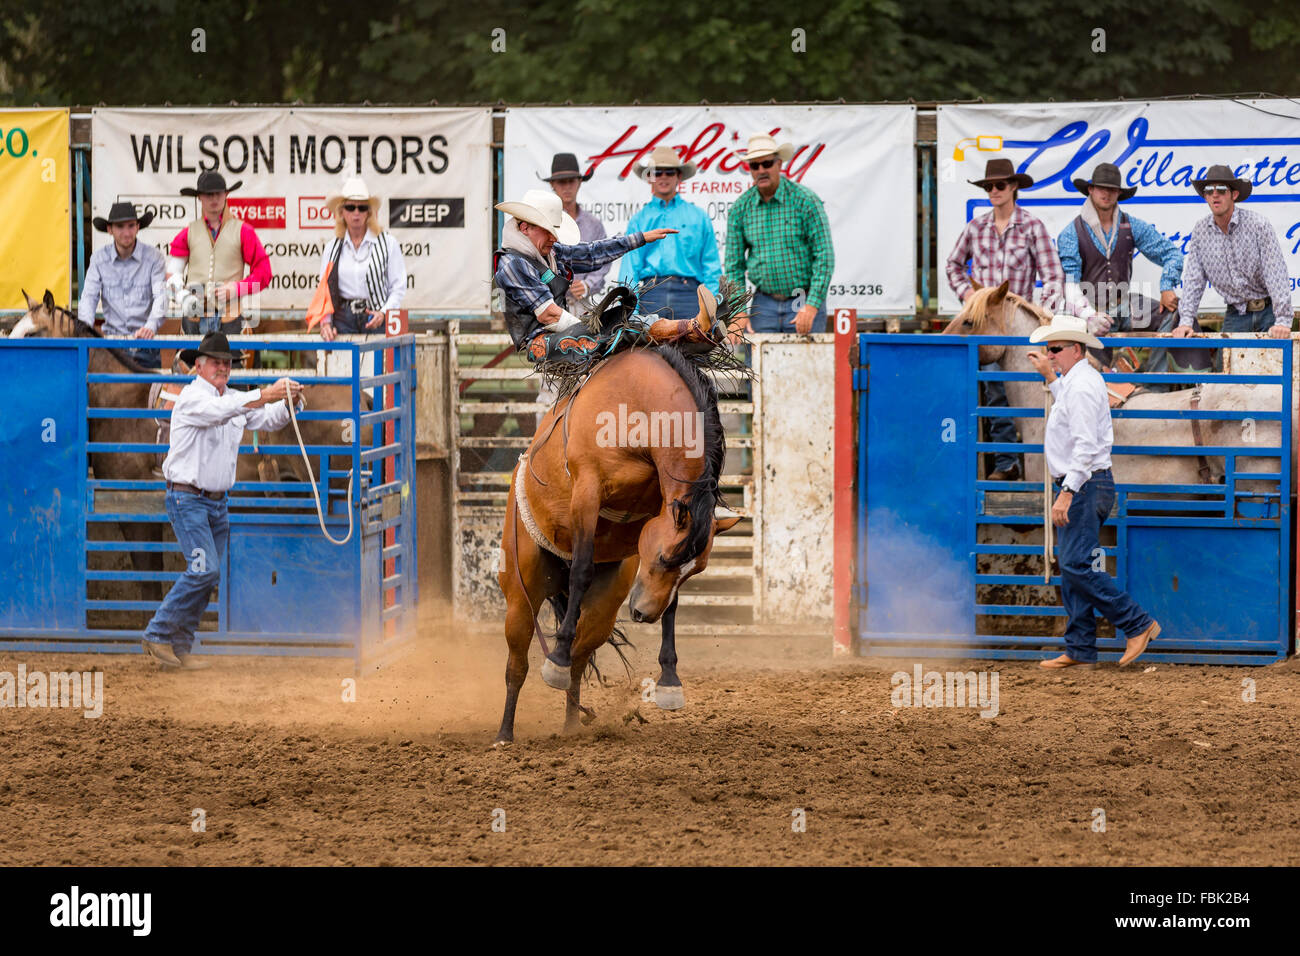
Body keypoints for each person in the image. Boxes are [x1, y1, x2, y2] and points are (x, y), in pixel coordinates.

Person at [140, 332, 304, 670]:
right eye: (216, 362)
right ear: (198, 366)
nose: (223, 368)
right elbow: (225, 409)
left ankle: (180, 645)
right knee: (204, 569)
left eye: (227, 363)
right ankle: (157, 633)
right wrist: (265, 393)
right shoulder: (192, 399)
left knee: (207, 574)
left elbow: (265, 418)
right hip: (189, 499)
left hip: (214, 502)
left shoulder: (229, 399)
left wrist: (288, 402)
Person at [1026, 314, 1160, 669]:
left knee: (1074, 564)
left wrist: (1068, 491)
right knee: (1073, 566)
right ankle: (1079, 646)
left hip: (1083, 484)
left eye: (1054, 349)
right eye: (1048, 349)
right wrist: (1051, 378)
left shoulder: (1082, 386)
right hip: (1086, 483)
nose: (1049, 354)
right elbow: (1074, 416)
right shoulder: (1078, 381)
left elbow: (1085, 444)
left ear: (1074, 349)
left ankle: (1138, 624)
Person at [946, 157, 1071, 481]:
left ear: (1013, 187)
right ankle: (1006, 463)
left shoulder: (1032, 226)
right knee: (993, 387)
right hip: (987, 326)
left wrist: (1037, 314)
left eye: (999, 185)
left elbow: (1053, 276)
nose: (993, 191)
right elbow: (953, 266)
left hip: (1019, 329)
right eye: (988, 186)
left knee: (1027, 392)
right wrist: (972, 300)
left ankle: (1032, 464)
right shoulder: (976, 228)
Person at [493, 189, 718, 365]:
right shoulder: (513, 264)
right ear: (524, 228)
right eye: (547, 231)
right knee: (619, 329)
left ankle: (692, 328)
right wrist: (595, 327)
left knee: (623, 323)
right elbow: (548, 315)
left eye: (554, 231)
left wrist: (639, 239)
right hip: (541, 342)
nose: (554, 238)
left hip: (559, 333)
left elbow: (592, 252)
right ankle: (691, 330)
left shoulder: (548, 252)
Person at [724, 133, 834, 334]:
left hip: (803, 297)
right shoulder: (740, 208)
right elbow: (733, 266)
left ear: (779, 164)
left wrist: (812, 304)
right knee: (758, 365)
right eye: (754, 166)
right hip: (763, 302)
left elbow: (824, 257)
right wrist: (739, 310)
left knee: (805, 364)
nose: (761, 170)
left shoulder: (805, 201)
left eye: (766, 163)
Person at [1174, 164, 1295, 340]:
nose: (1215, 194)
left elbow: (1275, 273)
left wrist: (1283, 320)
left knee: (1272, 365)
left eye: (1221, 189)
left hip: (1268, 313)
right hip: (1235, 313)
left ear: (1234, 195)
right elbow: (1194, 279)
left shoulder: (1258, 225)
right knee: (1225, 367)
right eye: (1209, 190)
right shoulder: (1200, 231)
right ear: (1205, 197)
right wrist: (1185, 321)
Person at [166, 171, 272, 342]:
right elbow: (172, 275)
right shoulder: (188, 233)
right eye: (209, 194)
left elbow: (264, 274)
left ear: (226, 194)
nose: (214, 198)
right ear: (200, 197)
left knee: (234, 367)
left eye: (218, 193)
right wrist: (184, 298)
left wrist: (236, 289)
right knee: (189, 366)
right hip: (194, 318)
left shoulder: (244, 231)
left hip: (230, 318)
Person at [619, 146, 721, 319]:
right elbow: (630, 268)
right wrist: (631, 313)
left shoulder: (699, 217)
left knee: (692, 344)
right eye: (658, 172)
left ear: (678, 176)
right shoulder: (639, 220)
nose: (663, 177)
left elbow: (711, 267)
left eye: (669, 172)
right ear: (650, 177)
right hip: (651, 293)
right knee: (649, 346)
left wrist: (711, 308)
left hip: (690, 295)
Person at [316, 178, 407, 341]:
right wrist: (325, 323)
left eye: (362, 207)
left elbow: (398, 287)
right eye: (350, 207)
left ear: (369, 212)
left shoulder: (388, 243)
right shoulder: (332, 247)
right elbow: (325, 291)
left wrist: (384, 312)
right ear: (342, 212)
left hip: (378, 319)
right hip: (343, 318)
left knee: (381, 366)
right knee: (344, 365)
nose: (356, 213)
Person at [78, 201, 167, 369]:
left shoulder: (154, 257)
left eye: (131, 225)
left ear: (138, 227)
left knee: (150, 394)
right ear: (110, 230)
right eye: (120, 226)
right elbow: (89, 298)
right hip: (113, 346)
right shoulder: (99, 259)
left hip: (146, 344)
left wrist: (150, 326)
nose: (126, 232)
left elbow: (161, 296)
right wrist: (85, 329)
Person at [539, 152, 609, 312]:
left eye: (571, 181)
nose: (567, 187)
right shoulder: (543, 224)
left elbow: (603, 261)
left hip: (583, 303)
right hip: (550, 302)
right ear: (553, 185)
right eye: (561, 182)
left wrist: (587, 284)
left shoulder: (594, 224)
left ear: (579, 183)